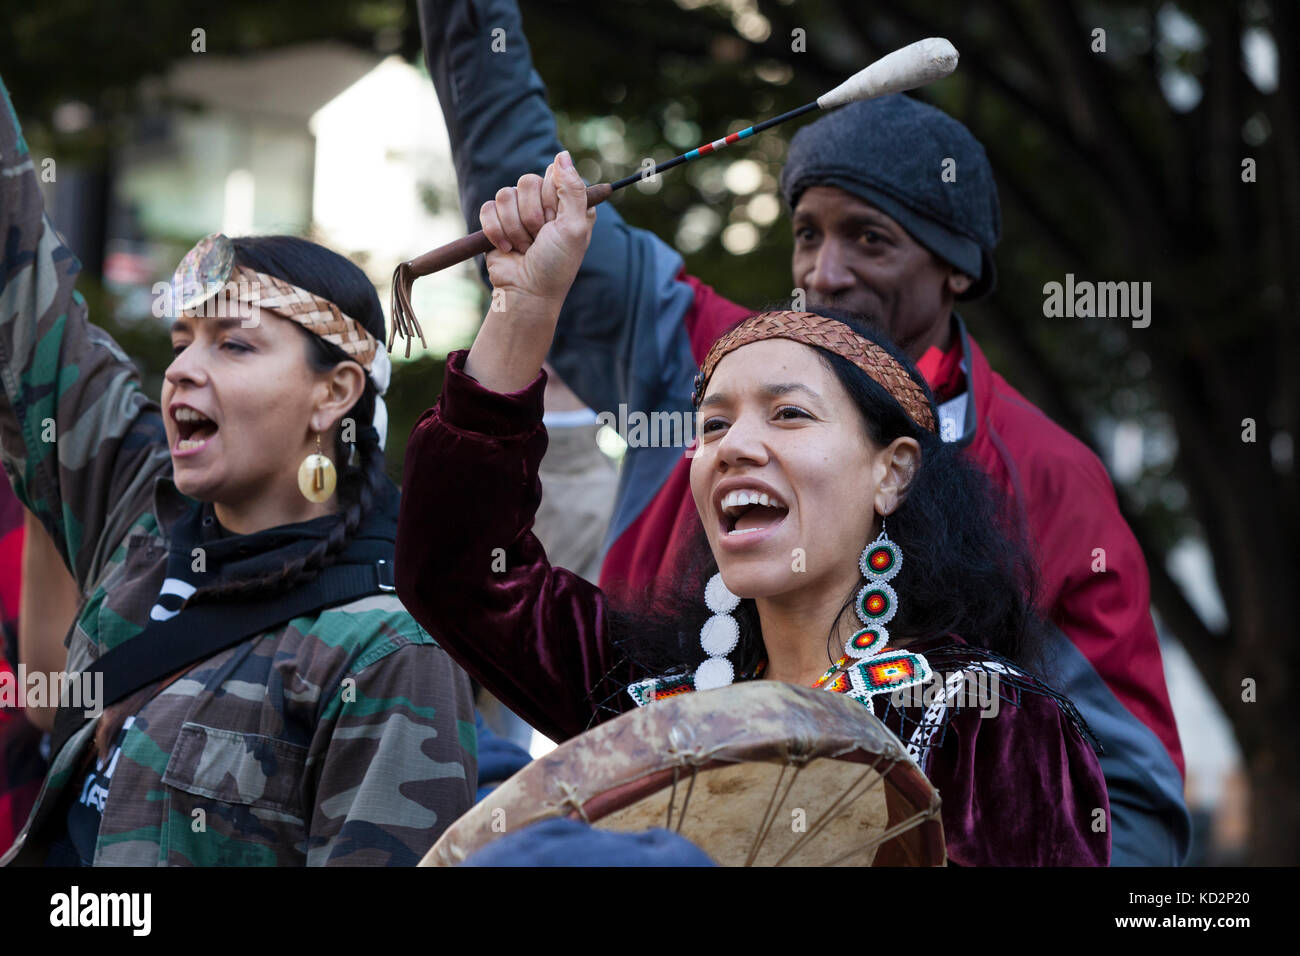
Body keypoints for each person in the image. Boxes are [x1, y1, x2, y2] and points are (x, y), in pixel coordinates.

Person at [417, 0, 1187, 865]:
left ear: (896, 471)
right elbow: (457, 568)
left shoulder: (993, 720)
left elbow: (1132, 805)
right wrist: (523, 304)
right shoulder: (647, 691)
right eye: (710, 422)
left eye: (789, 413)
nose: (824, 272)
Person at [0, 78, 476, 866]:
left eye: (235, 344)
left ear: (335, 392)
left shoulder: (393, 649)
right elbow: (17, 296)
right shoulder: (139, 514)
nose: (183, 368)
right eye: (184, 339)